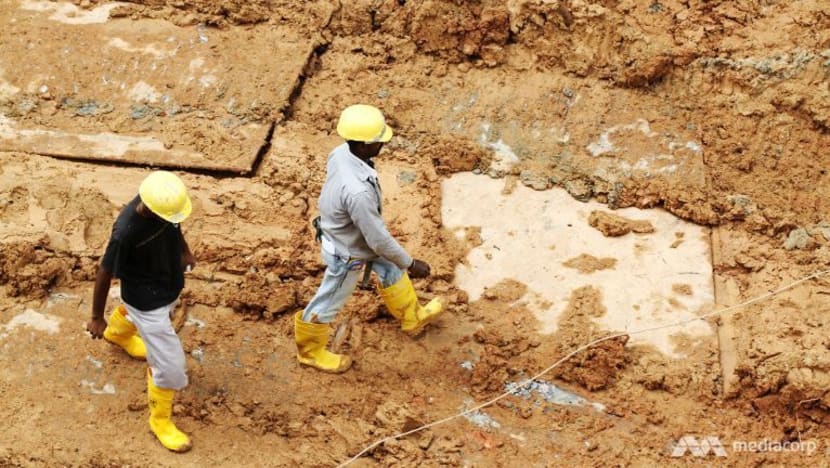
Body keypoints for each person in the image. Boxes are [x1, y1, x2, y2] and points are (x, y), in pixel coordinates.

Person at [295, 104, 445, 373]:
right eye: (379, 141)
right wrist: (411, 263)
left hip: (349, 233)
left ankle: (412, 318)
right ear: (363, 145)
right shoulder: (358, 193)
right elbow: (378, 241)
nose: (383, 145)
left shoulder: (341, 153)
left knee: (390, 266)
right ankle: (311, 351)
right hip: (347, 251)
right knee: (329, 300)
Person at [86, 170, 195, 453]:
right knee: (169, 366)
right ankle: (160, 420)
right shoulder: (125, 232)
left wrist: (183, 250)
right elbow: (105, 272)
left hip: (167, 284)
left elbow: (175, 225)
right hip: (146, 302)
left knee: (158, 311)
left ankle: (119, 334)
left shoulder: (160, 204)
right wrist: (97, 316)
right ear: (151, 209)